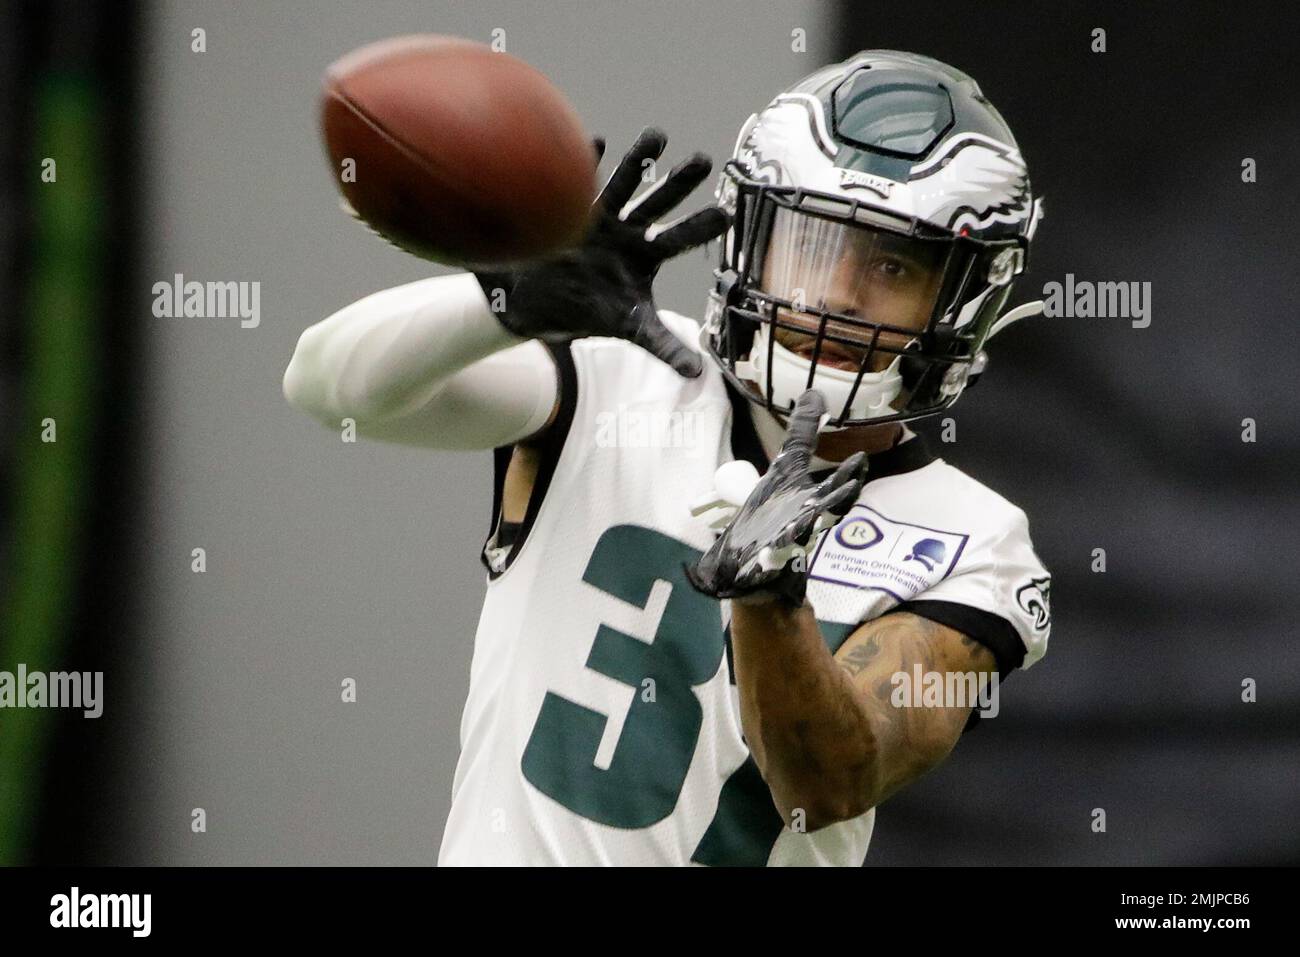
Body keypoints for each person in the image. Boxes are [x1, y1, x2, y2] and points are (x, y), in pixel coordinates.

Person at [283, 50, 1053, 866]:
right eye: (810, 243)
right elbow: (328, 387)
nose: (833, 293)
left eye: (890, 264)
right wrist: (502, 306)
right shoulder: (620, 374)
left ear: (965, 298)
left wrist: (771, 600)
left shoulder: (977, 543)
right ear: (750, 235)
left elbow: (825, 781)